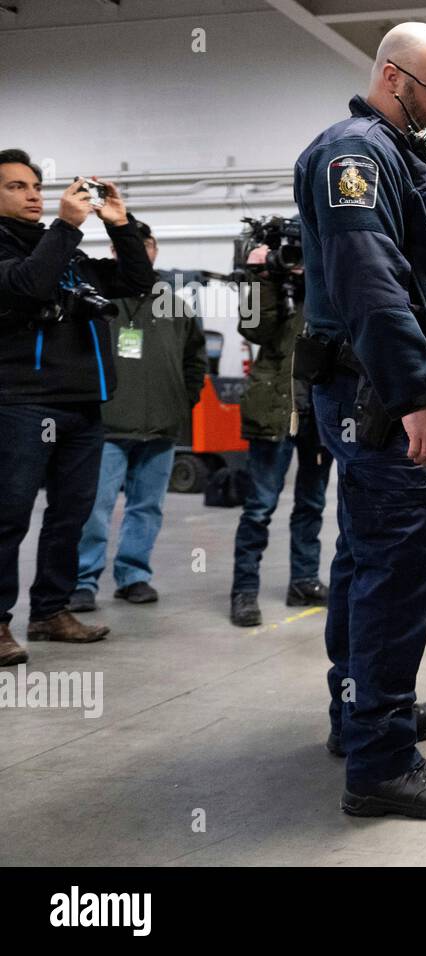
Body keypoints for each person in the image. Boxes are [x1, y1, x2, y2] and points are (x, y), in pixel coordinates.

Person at [294, 21, 426, 818]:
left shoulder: (392, 149)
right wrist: (417, 395)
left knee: (365, 556)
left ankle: (361, 712)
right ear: (392, 76)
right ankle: (381, 761)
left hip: (374, 384)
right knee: (400, 563)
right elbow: (369, 280)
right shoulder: (355, 154)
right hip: (379, 395)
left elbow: (413, 270)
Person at [0, 150, 154, 666]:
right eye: (17, 187)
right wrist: (65, 228)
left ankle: (50, 611)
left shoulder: (66, 254)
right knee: (9, 517)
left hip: (84, 405)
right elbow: (27, 285)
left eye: (35, 186)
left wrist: (121, 225)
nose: (32, 195)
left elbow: (136, 283)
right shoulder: (29, 248)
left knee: (71, 515)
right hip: (22, 404)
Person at [70, 221, 206, 611]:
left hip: (162, 426)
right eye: (133, 246)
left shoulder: (176, 304)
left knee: (147, 507)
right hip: (108, 424)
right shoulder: (99, 300)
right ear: (116, 253)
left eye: (148, 245)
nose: (142, 252)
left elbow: (194, 358)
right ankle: (83, 580)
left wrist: (184, 400)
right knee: (95, 509)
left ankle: (133, 576)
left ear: (155, 250)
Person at [229, 244, 334, 627]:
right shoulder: (271, 285)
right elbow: (254, 328)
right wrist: (263, 278)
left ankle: (304, 581)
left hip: (321, 414)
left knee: (312, 504)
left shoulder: (329, 281)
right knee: (259, 506)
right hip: (276, 409)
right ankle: (244, 591)